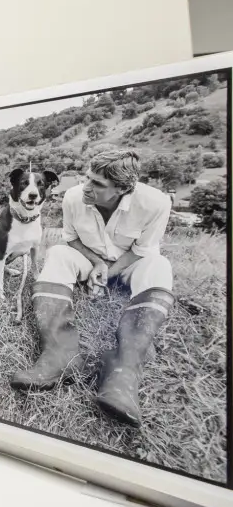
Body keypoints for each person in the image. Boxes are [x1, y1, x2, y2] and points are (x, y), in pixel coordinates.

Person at [10, 149, 174, 427]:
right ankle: (60, 353)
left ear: (122, 188)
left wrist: (108, 273)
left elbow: (143, 250)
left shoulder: (155, 203)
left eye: (97, 184)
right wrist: (96, 264)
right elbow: (71, 238)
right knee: (59, 254)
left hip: (131, 264)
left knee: (160, 266)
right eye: (87, 178)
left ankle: (123, 370)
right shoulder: (75, 197)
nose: (86, 187)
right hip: (88, 259)